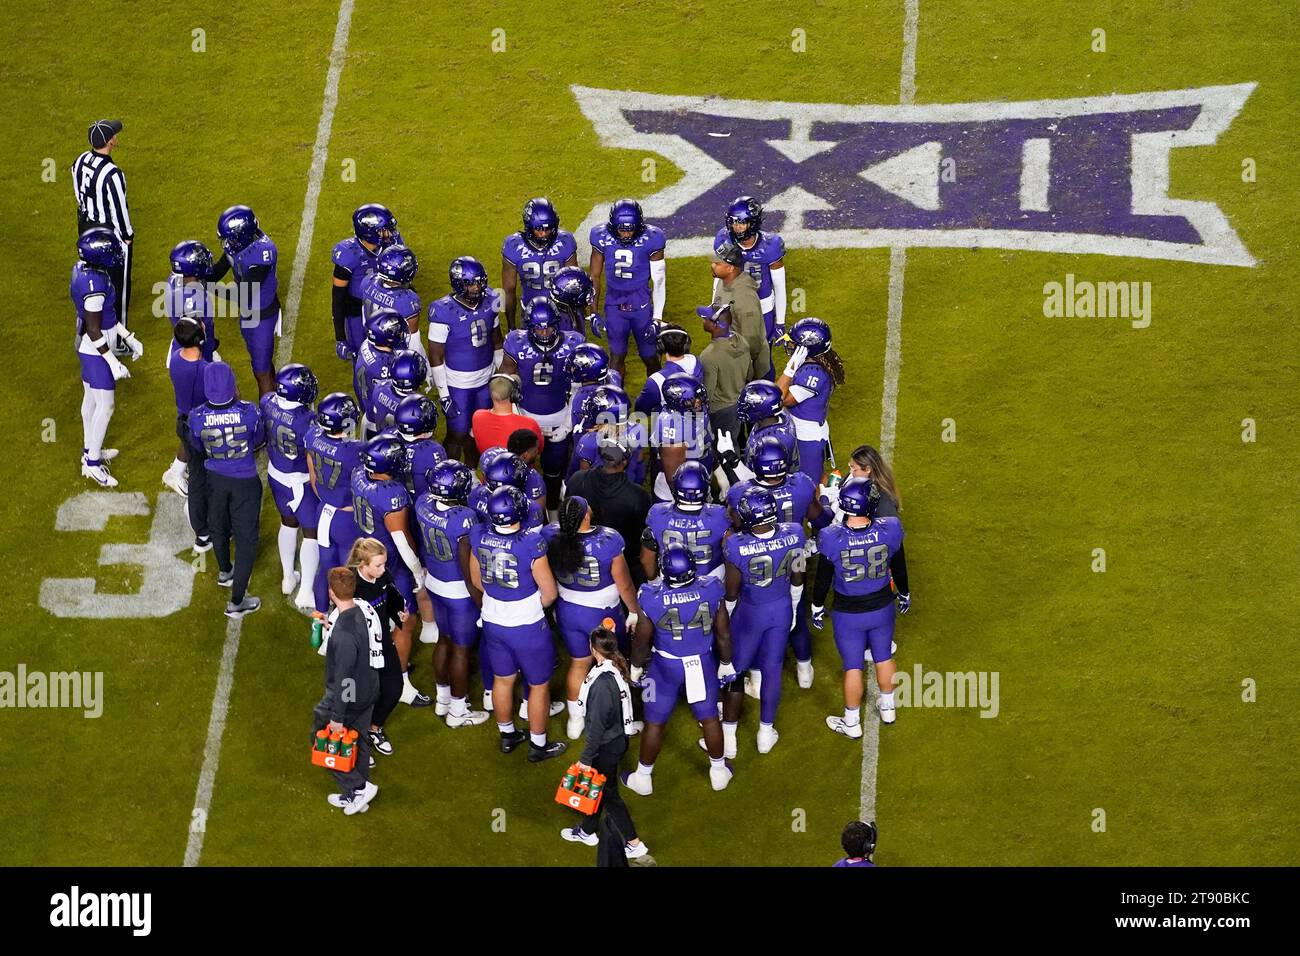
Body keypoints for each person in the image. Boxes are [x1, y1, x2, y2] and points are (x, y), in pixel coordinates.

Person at [624, 545, 734, 795]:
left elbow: (642, 640)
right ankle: (718, 772)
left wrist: (636, 667)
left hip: (664, 666)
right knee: (708, 718)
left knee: (654, 722)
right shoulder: (711, 588)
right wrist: (726, 663)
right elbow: (723, 633)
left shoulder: (650, 595)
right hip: (701, 663)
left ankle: (643, 777)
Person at [468, 486, 567, 761]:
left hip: (492, 618)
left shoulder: (478, 535)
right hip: (526, 623)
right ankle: (538, 744)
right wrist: (529, 604)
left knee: (502, 679)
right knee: (538, 684)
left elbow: (477, 581)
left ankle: (507, 735)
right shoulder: (530, 544)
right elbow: (549, 593)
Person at [543, 496, 642, 739]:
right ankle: (620, 719)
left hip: (568, 610)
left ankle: (575, 722)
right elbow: (625, 583)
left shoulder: (551, 534)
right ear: (587, 514)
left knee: (579, 663)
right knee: (614, 665)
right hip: (602, 613)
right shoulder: (607, 540)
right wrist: (633, 610)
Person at [718, 486, 805, 757]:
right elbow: (798, 574)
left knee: (734, 671)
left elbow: (732, 590)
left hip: (750, 612)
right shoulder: (795, 534)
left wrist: (730, 614)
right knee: (773, 669)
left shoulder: (735, 545)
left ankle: (729, 738)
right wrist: (792, 603)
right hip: (780, 608)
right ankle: (765, 734)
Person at [818, 477, 908, 731]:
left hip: (848, 613)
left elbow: (823, 578)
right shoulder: (889, 529)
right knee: (883, 656)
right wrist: (905, 593)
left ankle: (852, 722)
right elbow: (899, 567)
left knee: (853, 667)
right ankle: (888, 708)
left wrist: (816, 606)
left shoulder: (831, 536)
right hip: (881, 608)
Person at [350, 435, 433, 708]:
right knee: (405, 622)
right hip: (390, 565)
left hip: (365, 556)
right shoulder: (392, 493)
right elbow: (401, 540)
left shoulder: (359, 474)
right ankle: (401, 684)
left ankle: (378, 664)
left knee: (375, 617)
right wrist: (417, 571)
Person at [559, 626, 650, 863]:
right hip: (617, 740)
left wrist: (586, 759)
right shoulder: (614, 668)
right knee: (598, 790)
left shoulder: (600, 684)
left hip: (607, 745)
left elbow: (597, 728)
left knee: (609, 795)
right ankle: (588, 831)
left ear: (592, 649)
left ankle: (634, 844)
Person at [415, 459, 491, 728]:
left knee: (444, 641)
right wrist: (478, 598)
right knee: (461, 649)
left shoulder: (423, 503)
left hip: (434, 582)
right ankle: (458, 711)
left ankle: (442, 699)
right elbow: (465, 561)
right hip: (458, 589)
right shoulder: (464, 518)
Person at [187, 361, 265, 618]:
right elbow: (258, 441)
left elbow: (197, 447)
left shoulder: (196, 416)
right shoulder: (250, 411)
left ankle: (224, 571)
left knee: (218, 526)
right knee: (246, 539)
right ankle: (237, 600)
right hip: (244, 480)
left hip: (215, 479)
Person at [498, 297, 584, 507]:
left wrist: (567, 424)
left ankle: (553, 512)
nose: (544, 333)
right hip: (526, 417)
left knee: (554, 472)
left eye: (548, 328)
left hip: (560, 415)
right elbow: (504, 382)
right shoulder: (515, 342)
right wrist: (515, 414)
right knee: (520, 471)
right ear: (529, 327)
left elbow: (580, 388)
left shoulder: (574, 342)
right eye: (538, 329)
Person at [71, 228, 137, 488]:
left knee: (91, 401)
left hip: (92, 347)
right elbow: (94, 328)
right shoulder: (94, 286)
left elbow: (106, 316)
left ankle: (90, 452)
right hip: (95, 350)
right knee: (105, 405)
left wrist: (128, 337)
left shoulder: (85, 270)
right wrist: (113, 362)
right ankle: (93, 463)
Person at [312, 566, 381, 815]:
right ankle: (356, 794)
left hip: (349, 696)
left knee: (322, 741)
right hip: (369, 687)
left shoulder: (343, 635)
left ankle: (359, 787)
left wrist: (337, 717)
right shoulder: (358, 611)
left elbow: (344, 679)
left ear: (331, 593)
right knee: (359, 741)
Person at [429, 255, 503, 464]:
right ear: (458, 284)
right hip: (458, 383)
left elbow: (497, 340)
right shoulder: (443, 310)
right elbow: (436, 355)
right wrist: (443, 394)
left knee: (477, 431)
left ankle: (470, 471)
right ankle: (446, 471)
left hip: (486, 379)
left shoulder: (491, 299)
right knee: (457, 433)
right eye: (470, 283)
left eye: (479, 281)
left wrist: (503, 375)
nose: (476, 287)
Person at [261, 364, 321, 610]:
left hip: (275, 474)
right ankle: (305, 591)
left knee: (287, 523)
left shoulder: (267, 402)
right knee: (312, 534)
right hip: (300, 481)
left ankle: (288, 578)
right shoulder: (307, 420)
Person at [73, 119, 134, 353]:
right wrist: (127, 237)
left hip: (86, 228)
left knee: (91, 278)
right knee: (118, 287)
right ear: (111, 142)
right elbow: (120, 209)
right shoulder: (113, 174)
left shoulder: (79, 161)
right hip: (109, 235)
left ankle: (85, 322)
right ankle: (119, 340)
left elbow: (78, 193)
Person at [345, 538, 409, 759]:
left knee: (393, 688)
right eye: (378, 565)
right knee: (360, 698)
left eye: (384, 564)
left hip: (383, 644)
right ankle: (357, 743)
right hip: (360, 652)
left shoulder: (382, 576)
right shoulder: (350, 586)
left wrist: (399, 611)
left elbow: (391, 596)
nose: (383, 569)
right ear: (362, 565)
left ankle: (374, 729)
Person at [589, 199, 666, 378]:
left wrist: (658, 318)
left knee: (651, 357)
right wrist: (592, 312)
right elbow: (594, 276)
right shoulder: (600, 236)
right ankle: (615, 401)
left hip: (642, 305)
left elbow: (659, 279)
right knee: (616, 358)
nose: (625, 234)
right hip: (614, 305)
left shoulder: (653, 238)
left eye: (630, 229)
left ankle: (656, 399)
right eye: (621, 229)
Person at [210, 205, 280, 396]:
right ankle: (276, 394)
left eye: (228, 238)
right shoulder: (240, 244)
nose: (225, 243)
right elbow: (217, 270)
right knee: (261, 363)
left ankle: (269, 416)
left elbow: (244, 293)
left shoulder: (263, 253)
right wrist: (196, 275)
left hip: (262, 315)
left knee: (261, 373)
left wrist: (208, 288)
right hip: (249, 312)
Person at [305, 393, 365, 614]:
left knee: (326, 569)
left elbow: (312, 474)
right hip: (346, 520)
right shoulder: (354, 451)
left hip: (323, 511)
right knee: (347, 576)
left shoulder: (312, 436)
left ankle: (319, 620)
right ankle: (345, 622)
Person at [566, 437, 651, 585]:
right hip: (623, 564)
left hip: (582, 560)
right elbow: (641, 538)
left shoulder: (577, 479)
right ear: (624, 462)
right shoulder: (638, 496)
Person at [776, 317, 845, 486]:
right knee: (815, 476)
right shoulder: (816, 364)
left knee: (809, 485)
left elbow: (779, 398)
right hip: (808, 430)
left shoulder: (812, 373)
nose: (790, 346)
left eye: (794, 343)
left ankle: (828, 505)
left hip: (807, 437)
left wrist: (790, 368)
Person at [714, 196, 787, 349]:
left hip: (762, 305)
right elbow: (719, 277)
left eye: (741, 222)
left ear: (753, 223)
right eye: (734, 222)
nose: (736, 227)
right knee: (735, 351)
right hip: (733, 303)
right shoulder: (723, 238)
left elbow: (779, 286)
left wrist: (780, 322)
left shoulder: (770, 245)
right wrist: (716, 304)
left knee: (762, 352)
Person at [641, 461, 729, 585]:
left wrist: (653, 582)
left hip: (672, 579)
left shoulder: (657, 513)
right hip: (711, 577)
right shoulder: (719, 515)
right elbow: (731, 552)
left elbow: (646, 559)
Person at [332, 203, 401, 359]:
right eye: (384, 230)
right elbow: (338, 298)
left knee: (394, 353)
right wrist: (340, 338)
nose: (390, 234)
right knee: (363, 356)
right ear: (370, 233)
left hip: (388, 305)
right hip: (358, 311)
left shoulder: (392, 245)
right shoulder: (349, 255)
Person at [168, 317, 211, 552]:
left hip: (183, 422)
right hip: (199, 429)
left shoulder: (175, 359)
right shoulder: (204, 370)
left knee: (199, 474)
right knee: (199, 478)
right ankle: (202, 534)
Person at [501, 197, 577, 332]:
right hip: (532, 312)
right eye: (538, 229)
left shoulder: (566, 240)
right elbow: (508, 291)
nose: (543, 234)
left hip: (562, 311)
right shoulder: (512, 246)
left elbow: (574, 284)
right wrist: (511, 325)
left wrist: (578, 316)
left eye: (548, 229)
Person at [706, 240, 768, 383]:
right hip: (729, 352)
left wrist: (743, 371)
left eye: (717, 263)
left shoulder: (744, 296)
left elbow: (752, 341)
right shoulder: (724, 282)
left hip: (744, 363)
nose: (712, 265)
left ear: (730, 268)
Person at [697, 304, 752, 460]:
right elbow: (750, 374)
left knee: (724, 451)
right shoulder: (741, 341)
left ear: (716, 325)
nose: (702, 320)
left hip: (721, 411)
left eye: (705, 319)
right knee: (735, 439)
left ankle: (734, 481)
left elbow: (707, 392)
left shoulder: (709, 356)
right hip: (740, 401)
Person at [651, 374, 713, 504]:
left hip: (697, 478)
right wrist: (686, 503)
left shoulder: (693, 413)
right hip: (681, 492)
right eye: (694, 399)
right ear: (678, 401)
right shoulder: (673, 426)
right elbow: (673, 478)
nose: (699, 401)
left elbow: (707, 443)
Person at [361, 243, 424, 358]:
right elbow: (413, 343)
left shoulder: (367, 281)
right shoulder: (407, 301)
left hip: (372, 343)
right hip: (397, 351)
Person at [352, 309, 406, 427]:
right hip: (381, 421)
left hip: (367, 413)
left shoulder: (367, 343)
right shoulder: (385, 366)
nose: (401, 333)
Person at [634, 323, 700, 416]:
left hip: (671, 427)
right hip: (700, 421)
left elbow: (641, 409)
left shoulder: (656, 380)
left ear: (661, 347)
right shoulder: (696, 362)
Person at [471, 374, 542, 458]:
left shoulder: (477, 416)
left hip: (489, 466)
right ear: (514, 396)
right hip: (516, 468)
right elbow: (538, 449)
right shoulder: (529, 424)